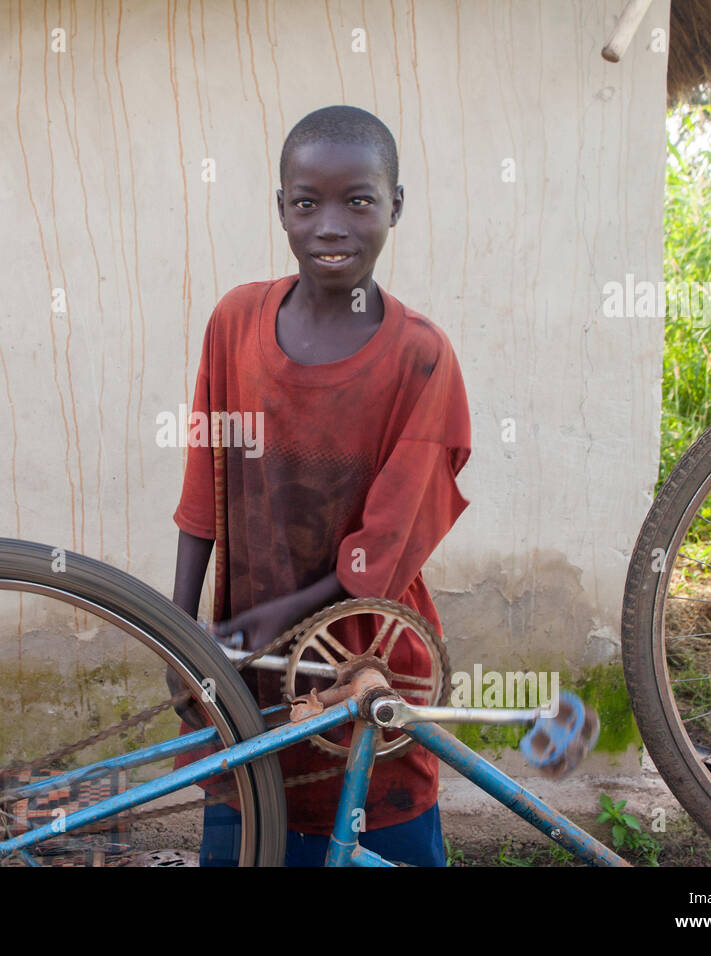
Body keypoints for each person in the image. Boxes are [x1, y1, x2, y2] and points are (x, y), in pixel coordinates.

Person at [170, 105, 472, 866]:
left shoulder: (422, 358)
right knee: (248, 826)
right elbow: (203, 491)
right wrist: (174, 631)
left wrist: (274, 620)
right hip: (248, 671)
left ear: (395, 206)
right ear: (281, 210)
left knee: (372, 822)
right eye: (307, 203)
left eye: (358, 201)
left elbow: (386, 542)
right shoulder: (235, 323)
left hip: (362, 659)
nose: (331, 225)